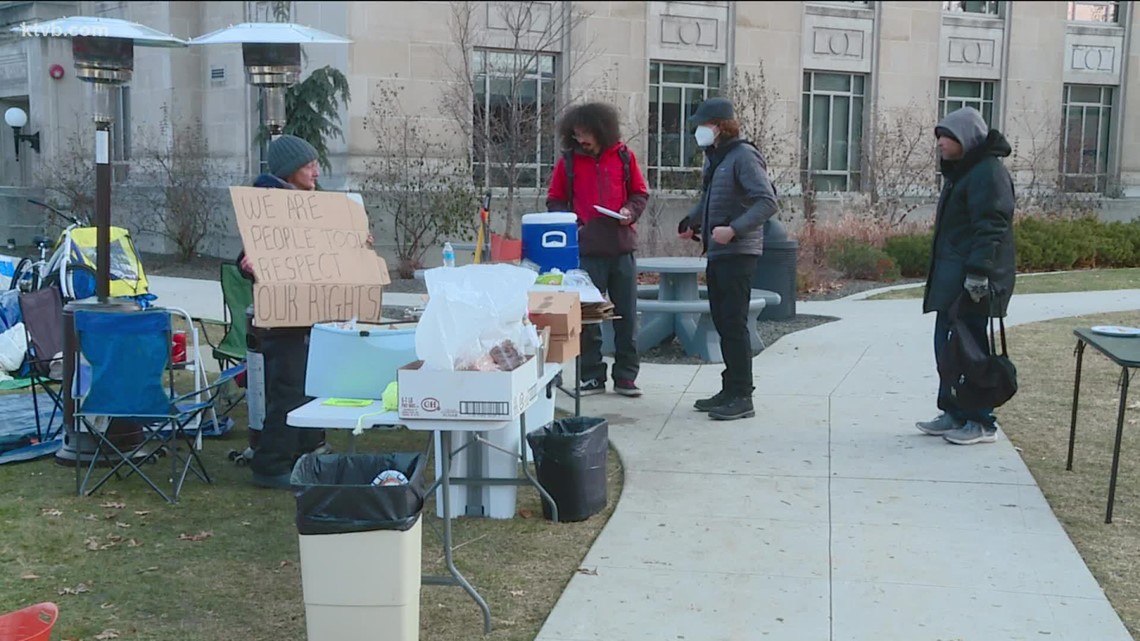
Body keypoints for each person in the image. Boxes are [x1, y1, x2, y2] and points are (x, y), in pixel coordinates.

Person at [237, 134, 358, 488]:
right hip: (283, 318)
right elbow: (250, 254)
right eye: (309, 165)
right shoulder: (267, 204)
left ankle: (307, 450)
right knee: (288, 391)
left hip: (312, 312)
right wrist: (249, 264)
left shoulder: (311, 203)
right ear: (290, 170)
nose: (316, 171)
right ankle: (270, 465)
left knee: (310, 386)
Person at [915, 106, 1016, 446]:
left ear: (966, 139)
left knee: (971, 351)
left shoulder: (988, 172)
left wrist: (978, 274)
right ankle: (954, 412)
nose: (940, 143)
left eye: (947, 136)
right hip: (952, 280)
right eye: (940, 136)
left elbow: (992, 226)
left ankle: (982, 420)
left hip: (971, 283)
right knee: (948, 349)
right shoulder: (963, 173)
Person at [677, 97, 778, 421]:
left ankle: (742, 396)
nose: (698, 131)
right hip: (719, 252)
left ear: (719, 126)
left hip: (738, 252)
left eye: (702, 125)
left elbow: (767, 203)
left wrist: (733, 230)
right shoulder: (716, 159)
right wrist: (693, 221)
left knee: (733, 324)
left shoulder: (743, 157)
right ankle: (730, 388)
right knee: (723, 322)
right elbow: (710, 199)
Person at [546, 102, 650, 398]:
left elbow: (640, 194)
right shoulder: (568, 162)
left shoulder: (624, 157)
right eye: (576, 134)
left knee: (626, 316)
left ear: (601, 130)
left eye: (586, 134)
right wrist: (574, 224)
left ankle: (626, 377)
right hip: (586, 250)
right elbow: (555, 199)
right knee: (587, 318)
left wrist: (630, 211)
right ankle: (592, 376)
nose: (582, 140)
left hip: (621, 248)